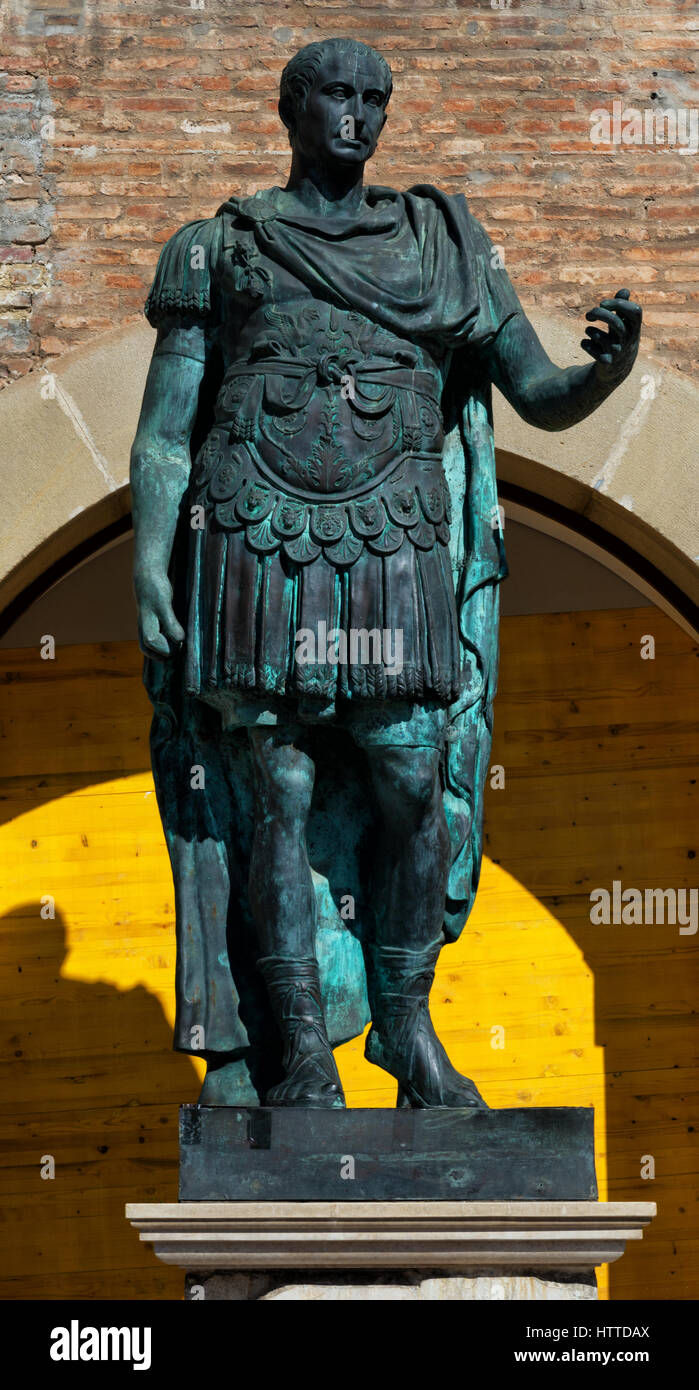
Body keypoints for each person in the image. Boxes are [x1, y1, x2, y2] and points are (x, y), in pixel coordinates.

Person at [130, 38, 641, 1108]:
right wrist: (145, 560)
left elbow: (537, 389)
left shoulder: (441, 244)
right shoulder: (219, 248)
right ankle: (303, 1057)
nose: (358, 117)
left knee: (413, 779)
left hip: (393, 531)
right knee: (276, 786)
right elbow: (166, 431)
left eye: (375, 99)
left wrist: (605, 371)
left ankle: (406, 1026)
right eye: (336, 96)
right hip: (256, 529)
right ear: (291, 107)